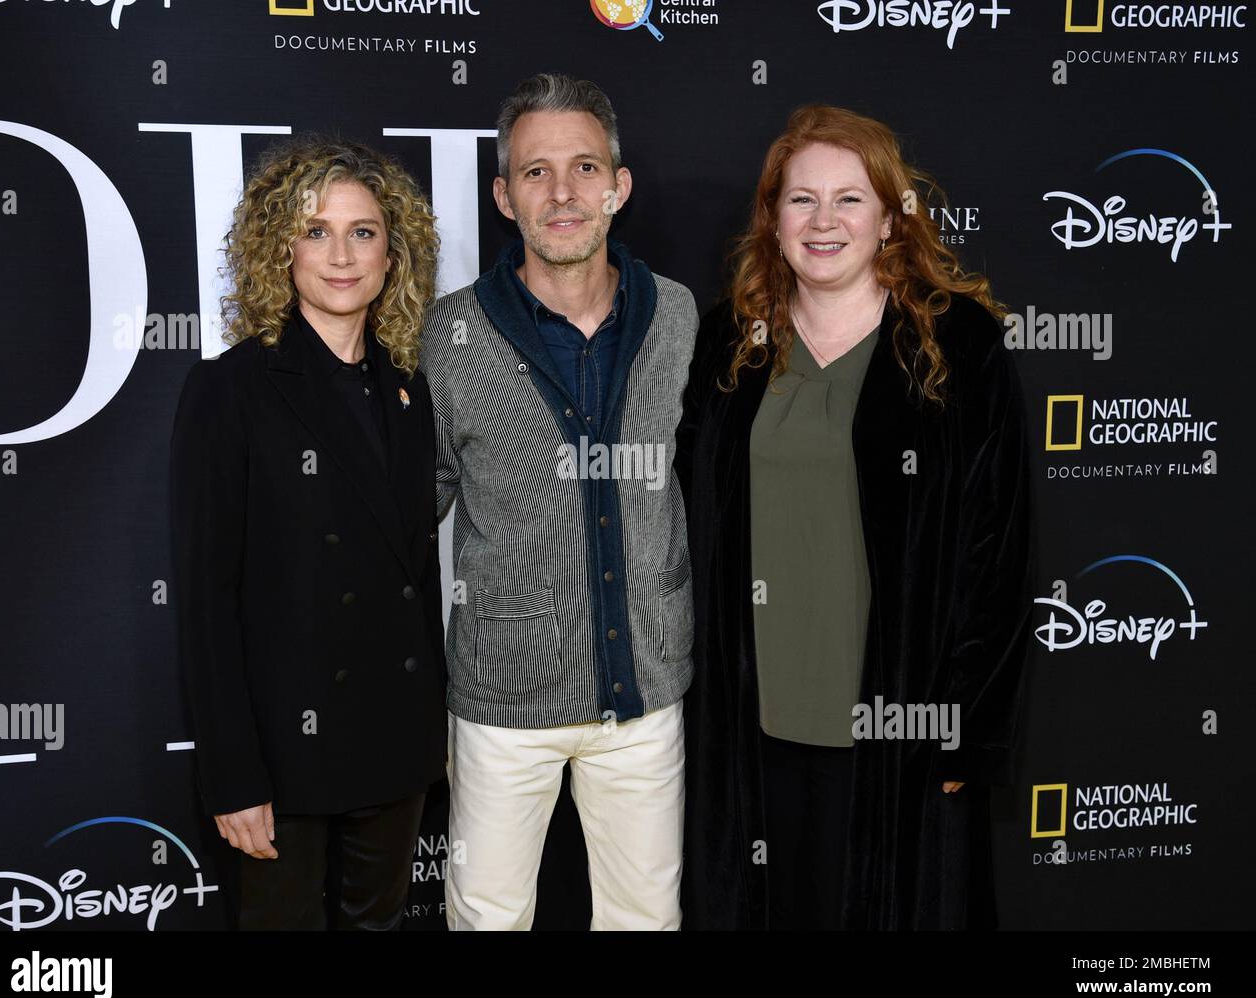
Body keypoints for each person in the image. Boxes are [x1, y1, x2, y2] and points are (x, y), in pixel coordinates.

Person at [676, 104, 1032, 930]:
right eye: (801, 199)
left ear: (890, 219)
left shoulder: (959, 344)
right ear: (773, 219)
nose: (823, 221)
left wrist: (966, 727)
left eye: (849, 199)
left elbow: (1001, 548)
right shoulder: (730, 342)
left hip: (903, 729)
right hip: (753, 726)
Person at [419, 72, 698, 930]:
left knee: (645, 919)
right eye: (536, 172)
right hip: (504, 701)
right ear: (505, 196)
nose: (563, 192)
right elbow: (407, 512)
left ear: (619, 186)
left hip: (644, 690)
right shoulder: (447, 337)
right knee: (488, 918)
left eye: (584, 168)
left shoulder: (677, 315)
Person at [170, 137, 445, 930]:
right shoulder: (229, 389)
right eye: (315, 231)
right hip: (281, 755)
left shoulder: (408, 391)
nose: (341, 256)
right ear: (280, 250)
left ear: (393, 252)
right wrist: (232, 774)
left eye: (362, 232)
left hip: (393, 747)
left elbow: (417, 577)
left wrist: (430, 733)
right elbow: (206, 600)